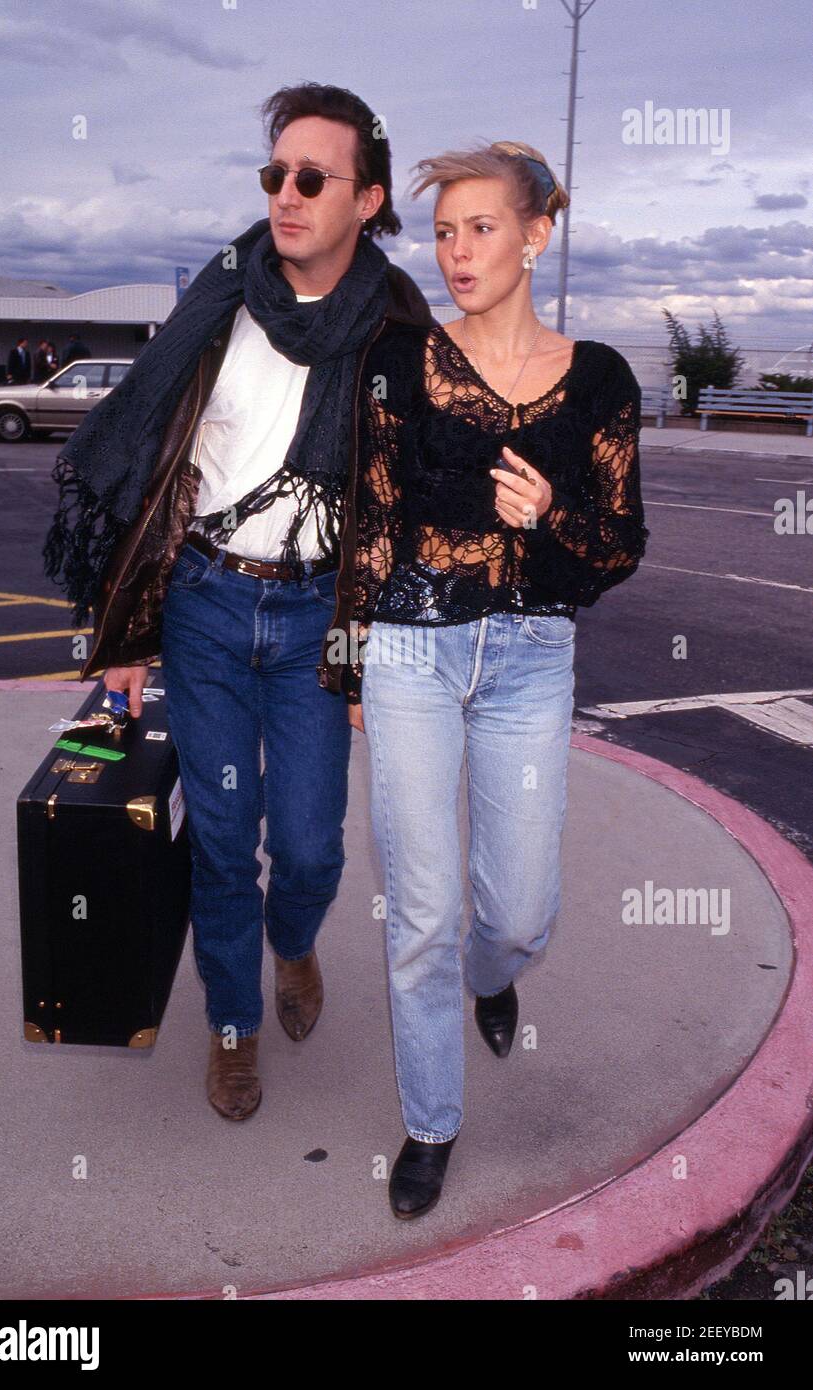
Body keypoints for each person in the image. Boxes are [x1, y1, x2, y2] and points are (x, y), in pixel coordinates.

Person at [42, 82, 432, 1122]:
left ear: (369, 199)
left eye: (313, 177)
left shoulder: (394, 325)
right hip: (207, 604)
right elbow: (151, 466)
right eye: (274, 174)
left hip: (316, 614)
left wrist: (363, 651)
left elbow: (402, 506)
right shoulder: (222, 296)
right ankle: (231, 1025)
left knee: (306, 844)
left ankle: (294, 943)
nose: (286, 194)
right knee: (222, 838)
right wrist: (122, 630)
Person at [336, 140, 650, 1218]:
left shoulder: (600, 379)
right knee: (419, 909)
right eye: (443, 231)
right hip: (414, 650)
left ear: (536, 232)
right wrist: (355, 665)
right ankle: (431, 1124)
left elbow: (617, 548)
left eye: (481, 228)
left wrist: (546, 515)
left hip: (530, 657)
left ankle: (493, 974)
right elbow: (370, 525)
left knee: (515, 911)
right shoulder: (396, 362)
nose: (458, 252)